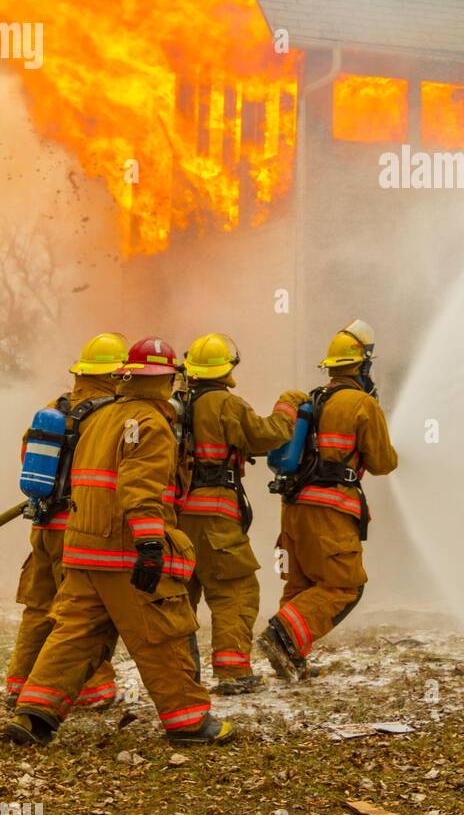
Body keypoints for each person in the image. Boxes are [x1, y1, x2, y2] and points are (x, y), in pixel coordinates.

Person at [6, 339, 233, 747]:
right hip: (124, 553)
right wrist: (149, 545)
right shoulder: (151, 423)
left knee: (74, 635)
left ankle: (34, 715)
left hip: (80, 551)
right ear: (166, 379)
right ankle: (189, 722)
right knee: (160, 634)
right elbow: (140, 490)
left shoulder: (98, 418)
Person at [259, 320, 397, 680]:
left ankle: (292, 659)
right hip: (330, 512)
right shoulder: (361, 404)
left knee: (302, 585)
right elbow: (382, 463)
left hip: (294, 509)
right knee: (343, 586)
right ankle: (282, 634)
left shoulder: (311, 399)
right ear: (363, 365)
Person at [4, 334, 126, 712]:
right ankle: (94, 689)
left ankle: (19, 683)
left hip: (43, 524)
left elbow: (30, 455)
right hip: (79, 528)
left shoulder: (53, 409)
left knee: (40, 605)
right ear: (116, 375)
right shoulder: (110, 417)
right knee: (81, 612)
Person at [177, 333, 297, 693]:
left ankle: (181, 674)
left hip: (177, 514)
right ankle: (233, 672)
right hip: (215, 514)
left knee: (182, 595)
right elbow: (265, 435)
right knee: (235, 590)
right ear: (226, 368)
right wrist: (287, 408)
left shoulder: (175, 404)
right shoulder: (225, 404)